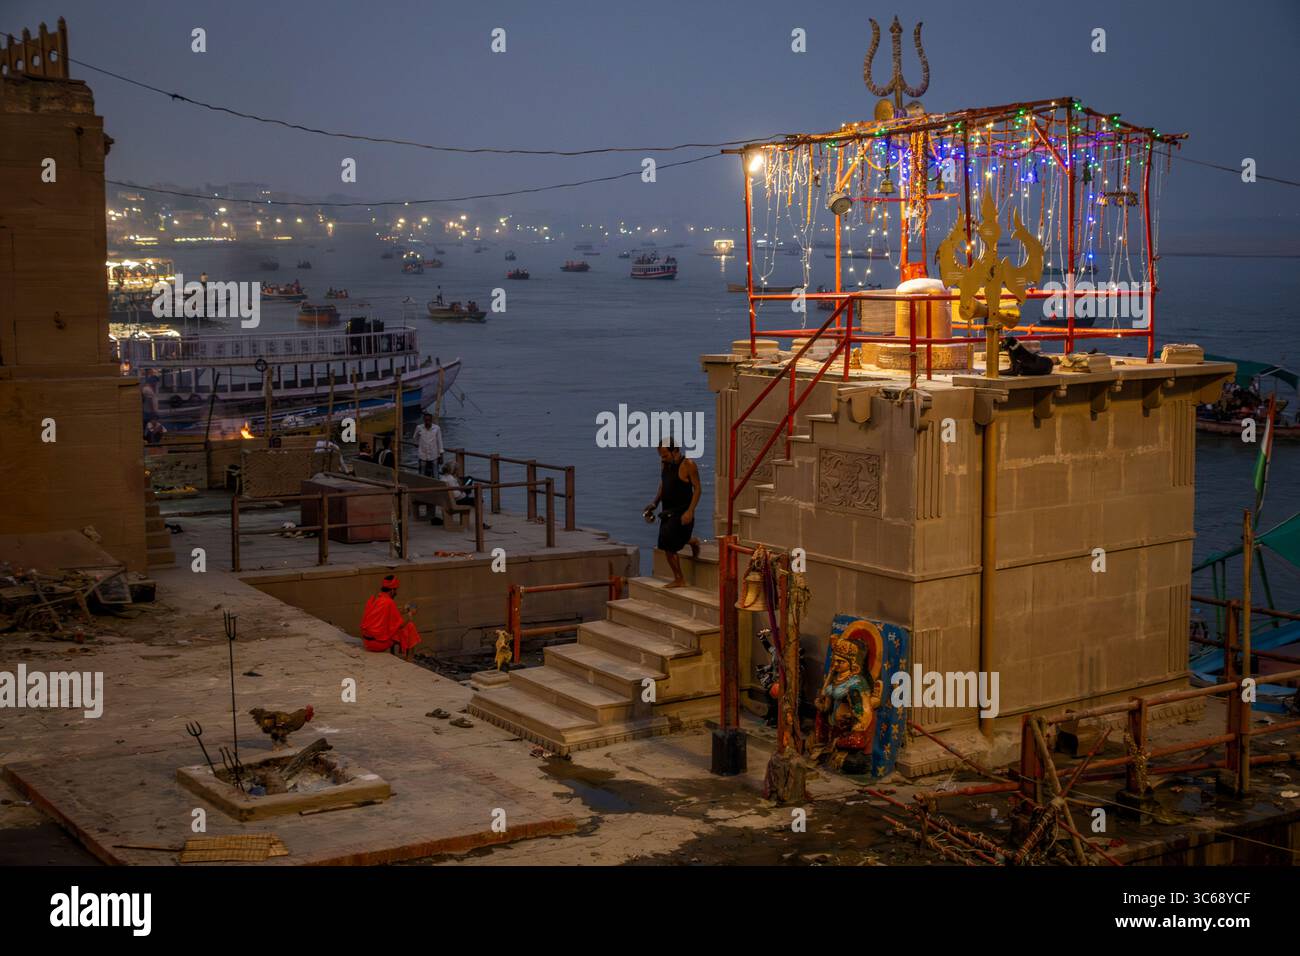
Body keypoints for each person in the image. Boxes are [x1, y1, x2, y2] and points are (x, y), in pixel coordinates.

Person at [646, 440, 701, 588]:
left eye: (664, 455)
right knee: (668, 543)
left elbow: (697, 489)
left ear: (675, 451)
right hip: (668, 510)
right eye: (660, 456)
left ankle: (679, 579)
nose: (662, 458)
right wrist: (655, 503)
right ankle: (692, 541)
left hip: (683, 511)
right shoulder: (664, 464)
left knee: (668, 546)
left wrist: (690, 511)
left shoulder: (688, 465)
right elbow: (663, 484)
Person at [360, 574, 421, 659]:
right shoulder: (389, 602)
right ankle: (409, 659)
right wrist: (410, 615)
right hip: (378, 644)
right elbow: (400, 625)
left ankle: (396, 655)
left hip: (367, 642)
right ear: (392, 590)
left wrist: (405, 610)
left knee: (393, 629)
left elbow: (388, 615)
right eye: (396, 590)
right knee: (410, 626)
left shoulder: (374, 598)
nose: (396, 593)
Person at [441, 461, 489, 529]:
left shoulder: (443, 477)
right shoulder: (451, 479)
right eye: (457, 469)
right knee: (479, 500)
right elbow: (456, 495)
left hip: (448, 501)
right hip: (456, 501)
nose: (458, 471)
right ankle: (480, 523)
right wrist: (462, 489)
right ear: (454, 470)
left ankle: (481, 522)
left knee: (473, 497)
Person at [415, 412, 443, 478]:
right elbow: (415, 437)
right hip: (423, 454)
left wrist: (441, 454)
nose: (427, 422)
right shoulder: (419, 428)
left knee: (435, 472)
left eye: (429, 420)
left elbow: (440, 442)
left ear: (431, 420)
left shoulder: (437, 428)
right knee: (422, 472)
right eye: (426, 420)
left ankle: (436, 486)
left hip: (434, 454)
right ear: (424, 420)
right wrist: (416, 443)